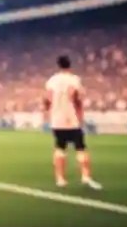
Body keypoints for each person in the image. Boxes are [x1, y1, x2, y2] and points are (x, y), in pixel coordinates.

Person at [43, 56, 100, 190]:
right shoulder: (74, 80)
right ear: (70, 65)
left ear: (58, 65)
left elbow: (47, 99)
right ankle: (85, 176)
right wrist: (80, 116)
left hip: (57, 119)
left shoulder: (52, 80)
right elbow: (76, 98)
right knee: (80, 147)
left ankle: (60, 178)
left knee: (60, 147)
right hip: (71, 118)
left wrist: (48, 113)